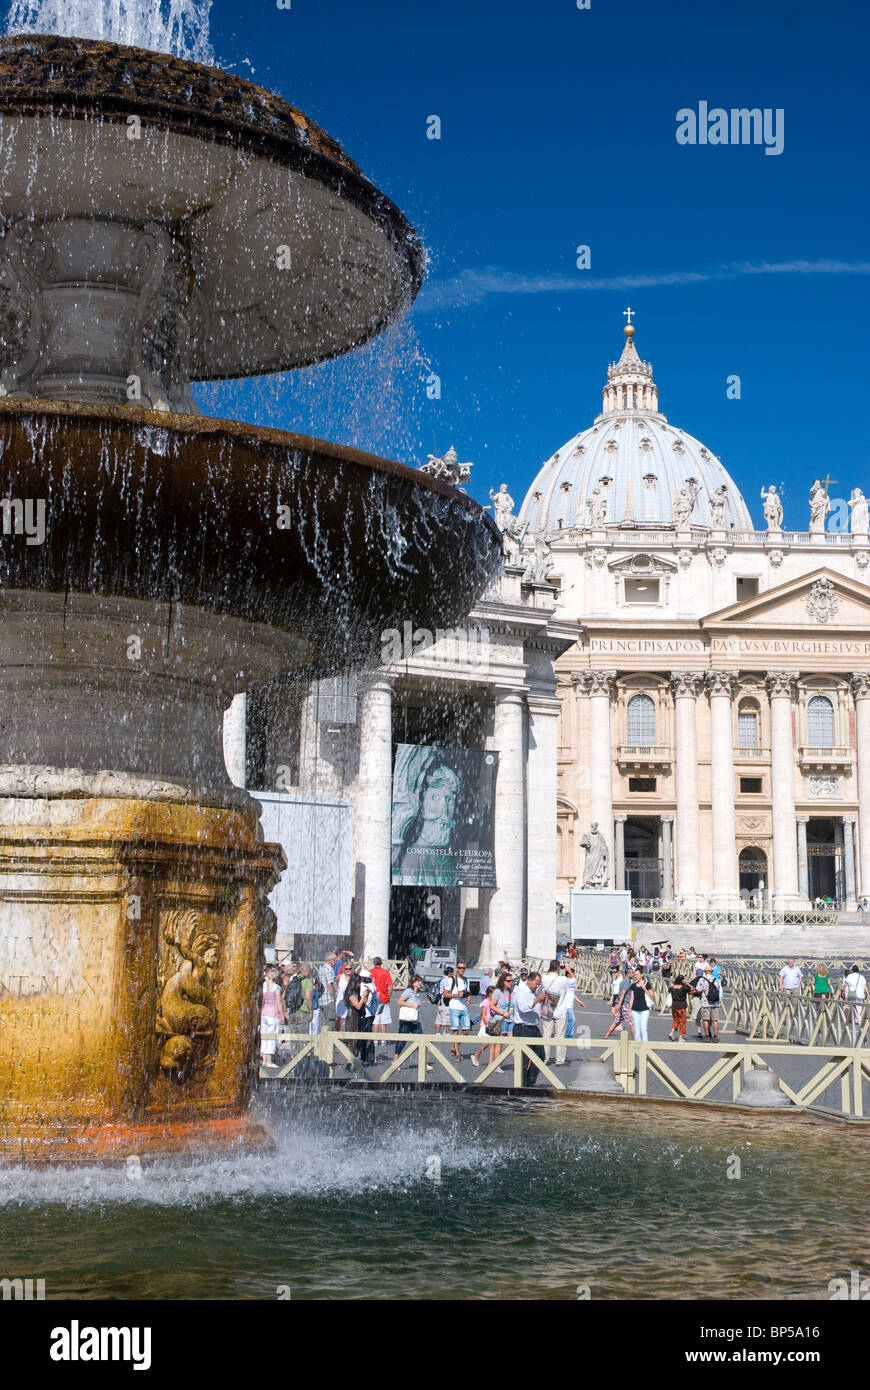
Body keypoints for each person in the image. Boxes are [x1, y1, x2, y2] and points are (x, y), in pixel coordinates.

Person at [513, 970, 547, 1087]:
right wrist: (536, 1000)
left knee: (540, 1055)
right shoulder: (521, 991)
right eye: (536, 984)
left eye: (539, 984)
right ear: (530, 980)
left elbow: (536, 1009)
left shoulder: (533, 993)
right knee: (524, 1059)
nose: (537, 986)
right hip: (523, 1027)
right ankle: (522, 1084)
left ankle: (530, 1080)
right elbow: (523, 1008)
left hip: (533, 1027)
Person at [394, 974, 433, 1070]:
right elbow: (399, 1002)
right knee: (401, 1041)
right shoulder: (408, 991)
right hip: (406, 1020)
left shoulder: (417, 994)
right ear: (413, 983)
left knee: (421, 1040)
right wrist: (412, 1006)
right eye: (418, 981)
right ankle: (395, 1061)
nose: (420, 983)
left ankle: (423, 1063)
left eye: (420, 981)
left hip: (415, 1021)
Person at [344, 971, 376, 1066]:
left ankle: (356, 1060)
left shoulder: (356, 992)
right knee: (352, 1041)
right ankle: (349, 1062)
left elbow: (363, 1003)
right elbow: (357, 1006)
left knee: (357, 1041)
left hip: (357, 1017)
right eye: (358, 983)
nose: (359, 984)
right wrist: (364, 996)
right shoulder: (350, 992)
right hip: (352, 1018)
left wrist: (366, 995)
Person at [260, 965, 286, 1070]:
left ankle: (265, 1059)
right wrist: (282, 1015)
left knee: (265, 1036)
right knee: (272, 1037)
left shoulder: (264, 987)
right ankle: (269, 1060)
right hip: (273, 1014)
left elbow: (262, 1001)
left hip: (264, 1013)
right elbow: (279, 1003)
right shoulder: (276, 988)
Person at [472, 986, 501, 1071]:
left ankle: (480, 1056)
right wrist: (488, 1023)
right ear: (489, 993)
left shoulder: (493, 1002)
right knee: (490, 1043)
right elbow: (484, 1014)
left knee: (491, 1043)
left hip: (493, 1023)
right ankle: (483, 1058)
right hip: (487, 1024)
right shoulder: (485, 1002)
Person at [447, 960, 472, 1058]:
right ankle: (457, 1053)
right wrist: (456, 995)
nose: (462, 970)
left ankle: (455, 1046)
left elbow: (468, 992)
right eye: (460, 968)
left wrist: (468, 998)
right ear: (456, 969)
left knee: (466, 1031)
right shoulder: (451, 980)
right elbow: (445, 994)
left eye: (463, 968)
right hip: (454, 1007)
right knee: (455, 1031)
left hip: (463, 1007)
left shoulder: (466, 980)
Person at [371, 956, 394, 1056]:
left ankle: (375, 1040)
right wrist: (389, 995)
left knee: (375, 1020)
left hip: (374, 999)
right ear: (381, 963)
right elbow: (390, 986)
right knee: (383, 1021)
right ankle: (383, 1039)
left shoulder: (370, 972)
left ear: (374, 963)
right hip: (384, 998)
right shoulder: (386, 973)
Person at [604, 969, 634, 1040]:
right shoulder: (627, 982)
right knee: (632, 1023)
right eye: (632, 973)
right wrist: (619, 1005)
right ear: (628, 974)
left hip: (621, 1004)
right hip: (625, 1005)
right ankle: (635, 1041)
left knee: (616, 1022)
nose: (633, 975)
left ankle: (606, 1035)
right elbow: (623, 994)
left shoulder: (623, 981)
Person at [627, 968, 655, 1043]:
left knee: (643, 1028)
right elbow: (632, 998)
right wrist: (629, 1011)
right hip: (635, 1010)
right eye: (634, 974)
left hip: (644, 1009)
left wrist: (645, 989)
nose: (635, 976)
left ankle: (645, 1047)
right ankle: (637, 1047)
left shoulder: (647, 984)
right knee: (637, 1029)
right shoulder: (633, 985)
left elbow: (652, 997)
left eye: (637, 974)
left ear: (642, 975)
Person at [697, 964, 721, 1041]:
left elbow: (698, 990)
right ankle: (715, 1037)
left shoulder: (702, 980)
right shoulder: (716, 979)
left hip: (706, 1002)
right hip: (715, 1002)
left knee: (706, 1019)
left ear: (706, 971)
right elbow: (719, 989)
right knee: (715, 1020)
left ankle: (707, 1036)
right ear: (711, 971)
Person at [668, 975, 690, 1041]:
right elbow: (690, 989)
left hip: (674, 1006)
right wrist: (686, 983)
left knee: (676, 1020)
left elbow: (669, 990)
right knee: (682, 1021)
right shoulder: (684, 988)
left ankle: (671, 1033)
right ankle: (680, 1037)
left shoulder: (672, 988)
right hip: (681, 1006)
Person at [435, 965, 455, 1035]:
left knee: (439, 1018)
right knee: (448, 1019)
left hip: (439, 1001)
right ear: (449, 972)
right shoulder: (447, 981)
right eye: (452, 972)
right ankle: (447, 1033)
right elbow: (445, 993)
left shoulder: (441, 979)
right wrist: (454, 995)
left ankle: (437, 1033)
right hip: (445, 1002)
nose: (453, 974)